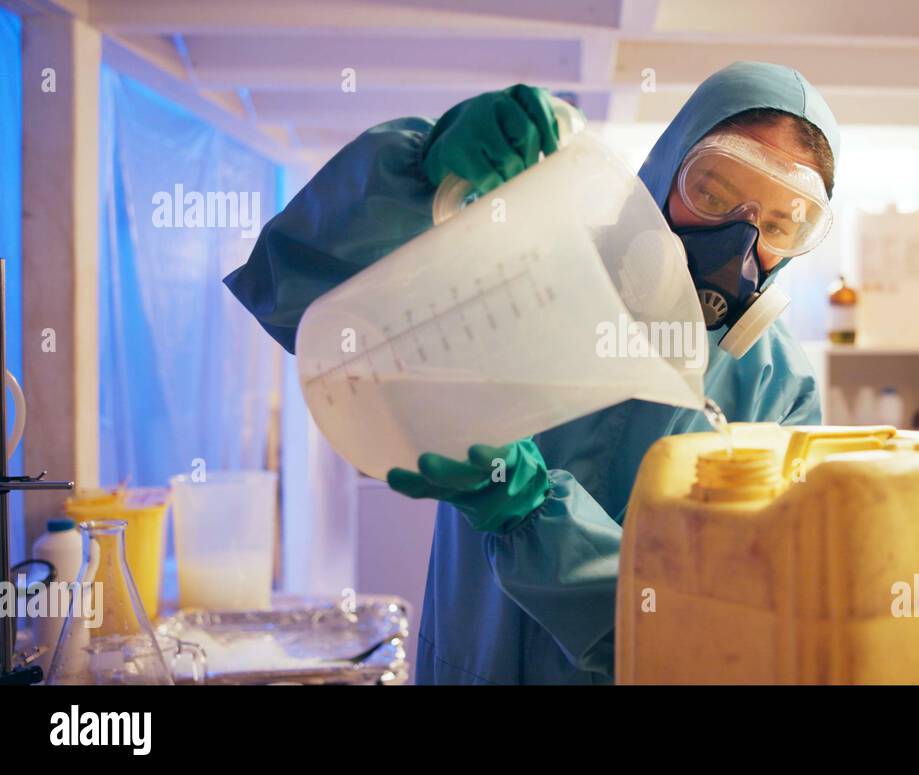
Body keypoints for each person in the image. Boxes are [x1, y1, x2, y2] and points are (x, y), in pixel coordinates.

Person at [224, 61, 840, 684]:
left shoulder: (778, 389)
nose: (741, 241)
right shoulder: (536, 257)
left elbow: (709, 630)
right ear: (664, 170)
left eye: (782, 225)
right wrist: (418, 176)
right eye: (711, 192)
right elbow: (295, 294)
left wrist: (531, 516)